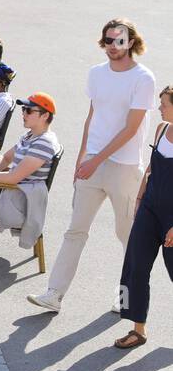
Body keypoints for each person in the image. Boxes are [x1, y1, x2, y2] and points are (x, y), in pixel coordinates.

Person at [30, 19, 157, 314]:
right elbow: (92, 117)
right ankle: (54, 294)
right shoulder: (96, 73)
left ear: (131, 42)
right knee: (75, 231)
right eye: (109, 40)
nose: (113, 46)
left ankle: (125, 299)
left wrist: (96, 160)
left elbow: (131, 128)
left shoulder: (143, 78)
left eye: (119, 40)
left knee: (128, 236)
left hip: (124, 168)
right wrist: (81, 159)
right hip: (92, 165)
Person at [0, 91, 62, 258]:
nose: (23, 114)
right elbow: (6, 157)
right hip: (4, 190)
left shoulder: (45, 143)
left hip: (14, 199)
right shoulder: (30, 136)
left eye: (29, 111)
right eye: (23, 110)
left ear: (45, 116)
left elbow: (13, 177)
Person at [114, 85, 173, 350]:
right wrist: (139, 200)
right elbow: (151, 168)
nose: (160, 108)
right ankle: (137, 329)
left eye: (164, 103)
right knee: (134, 267)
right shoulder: (162, 129)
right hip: (149, 209)